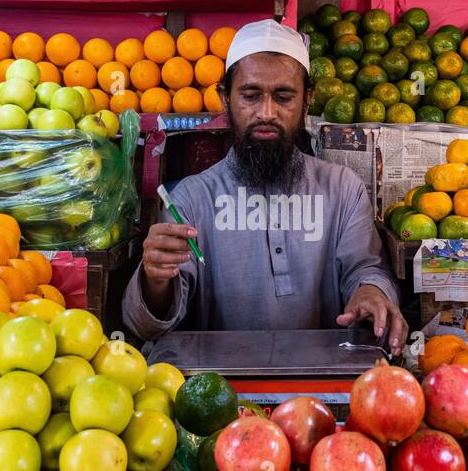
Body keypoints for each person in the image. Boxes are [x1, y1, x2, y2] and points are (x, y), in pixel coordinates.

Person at [122, 19, 408, 353]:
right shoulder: (191, 199)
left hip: (323, 387)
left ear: (307, 100)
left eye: (284, 97)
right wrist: (156, 278)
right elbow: (142, 324)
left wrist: (371, 292)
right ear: (225, 98)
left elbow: (365, 269)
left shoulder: (342, 189)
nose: (267, 112)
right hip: (220, 391)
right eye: (251, 95)